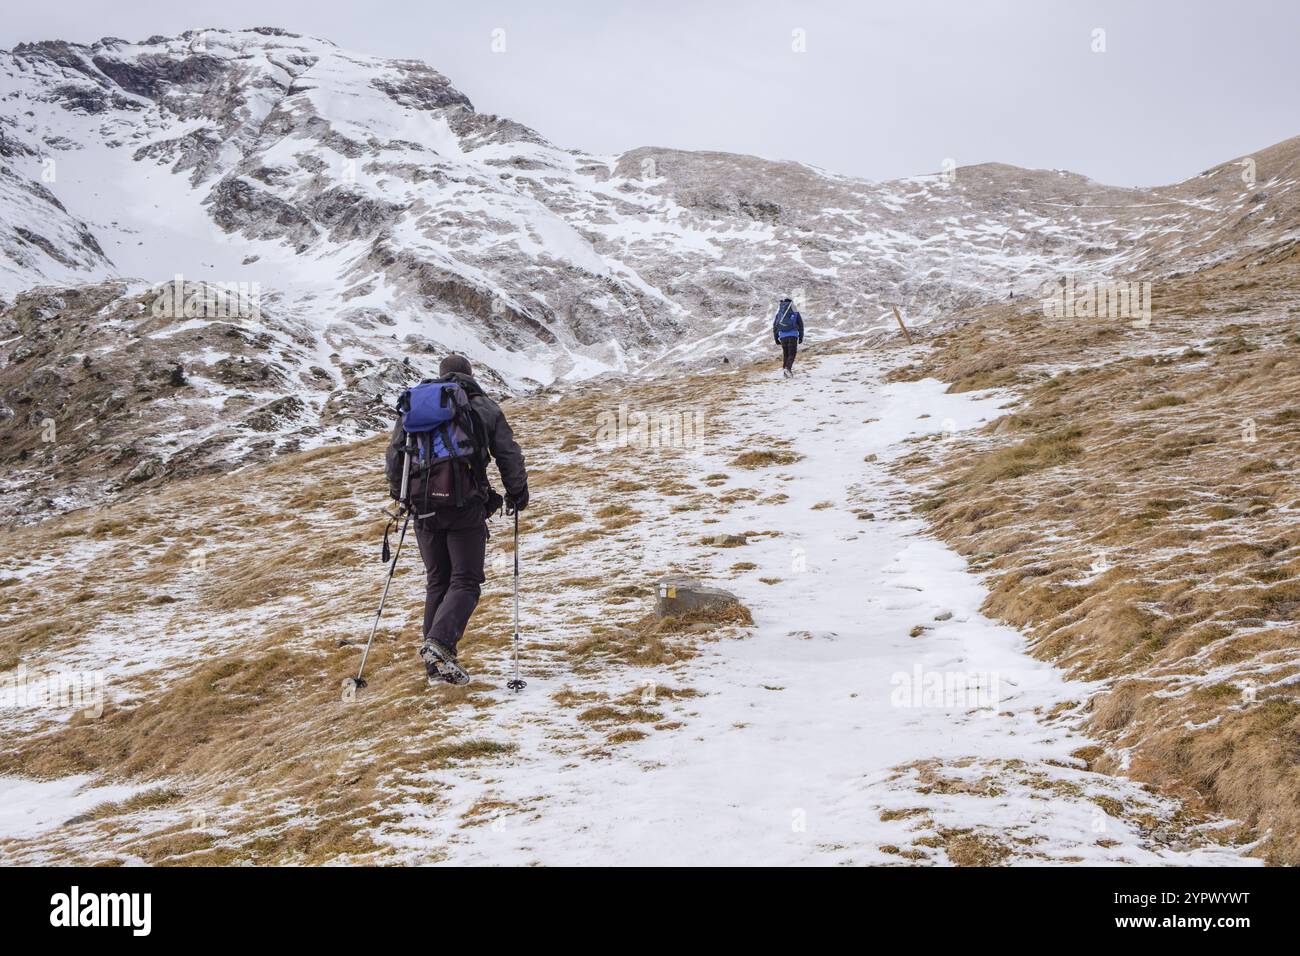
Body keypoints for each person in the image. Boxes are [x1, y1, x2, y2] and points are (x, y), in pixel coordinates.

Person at [385, 353, 528, 683]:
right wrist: (517, 493)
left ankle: (436, 668)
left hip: (421, 508)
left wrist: (400, 496)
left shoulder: (416, 406)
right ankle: (440, 644)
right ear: (470, 374)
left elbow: (394, 455)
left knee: (438, 581)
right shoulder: (482, 406)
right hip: (464, 506)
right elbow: (508, 453)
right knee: (465, 580)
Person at [773, 297, 804, 377]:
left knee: (786, 354)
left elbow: (775, 326)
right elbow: (800, 325)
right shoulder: (795, 312)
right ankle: (787, 369)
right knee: (792, 354)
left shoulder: (780, 313)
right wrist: (800, 337)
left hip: (783, 336)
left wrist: (776, 338)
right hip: (793, 335)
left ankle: (785, 372)